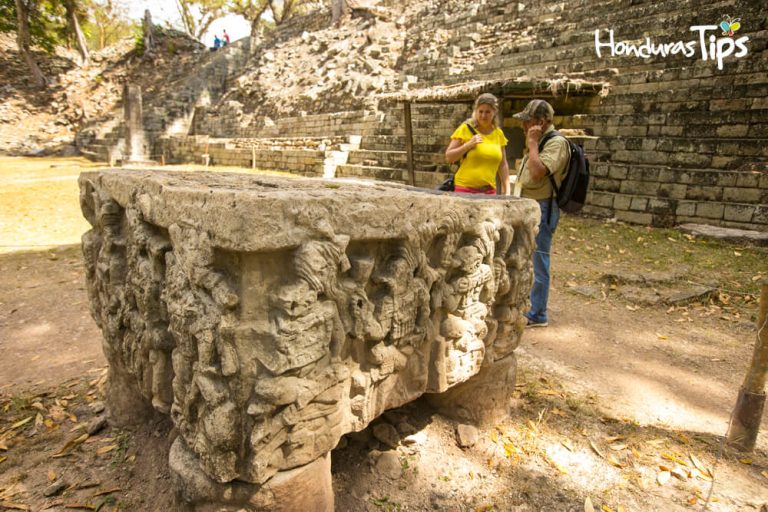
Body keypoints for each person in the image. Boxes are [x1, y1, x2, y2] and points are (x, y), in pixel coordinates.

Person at [513, 99, 570, 328]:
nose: (524, 126)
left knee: (539, 260)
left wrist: (533, 144)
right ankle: (528, 305)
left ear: (540, 122)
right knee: (527, 258)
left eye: (527, 122)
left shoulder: (555, 143)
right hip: (532, 204)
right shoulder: (541, 141)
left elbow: (537, 173)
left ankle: (538, 313)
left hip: (544, 207)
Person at [445, 93, 510, 195]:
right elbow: (449, 157)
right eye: (480, 111)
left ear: (494, 112)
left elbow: (503, 164)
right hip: (464, 190)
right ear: (475, 111)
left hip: (489, 191)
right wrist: (468, 145)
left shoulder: (498, 133)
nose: (483, 116)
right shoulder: (465, 129)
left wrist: (507, 191)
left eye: (488, 112)